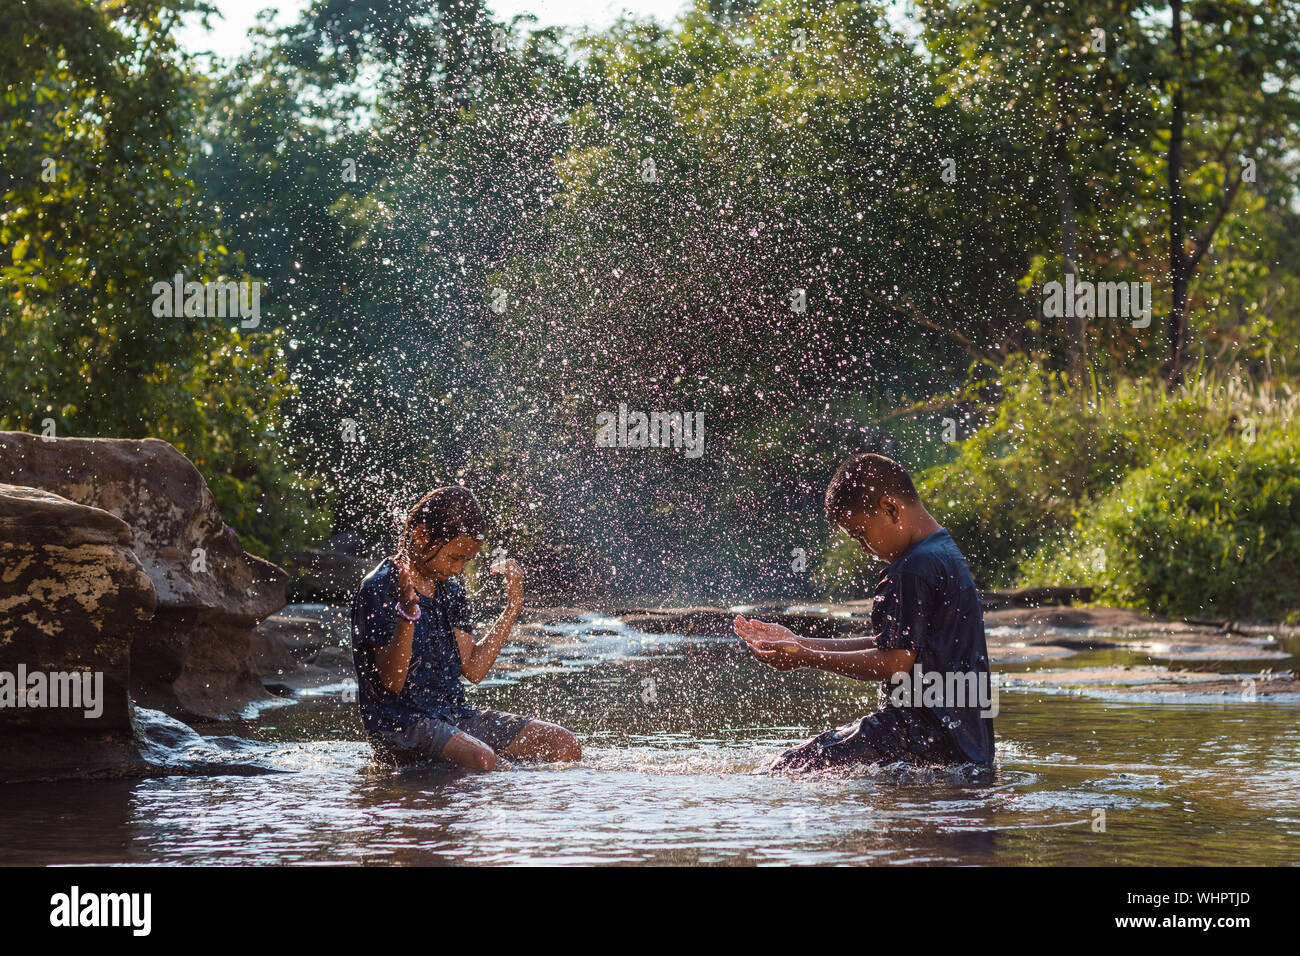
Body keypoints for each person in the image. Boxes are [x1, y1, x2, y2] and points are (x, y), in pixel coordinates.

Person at [735, 453, 995, 772]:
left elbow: (894, 662)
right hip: (963, 744)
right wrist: (802, 642)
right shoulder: (944, 553)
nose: (863, 548)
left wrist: (805, 657)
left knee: (786, 767)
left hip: (916, 735)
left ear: (890, 508)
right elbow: (898, 647)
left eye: (860, 534)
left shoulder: (910, 570)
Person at [350, 486, 581, 771]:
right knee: (481, 759)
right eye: (454, 557)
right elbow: (392, 681)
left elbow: (472, 669)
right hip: (401, 726)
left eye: (465, 561)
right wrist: (407, 616)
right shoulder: (379, 587)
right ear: (421, 536)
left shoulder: (450, 590)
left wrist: (512, 607)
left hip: (455, 715)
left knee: (562, 744)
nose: (458, 569)